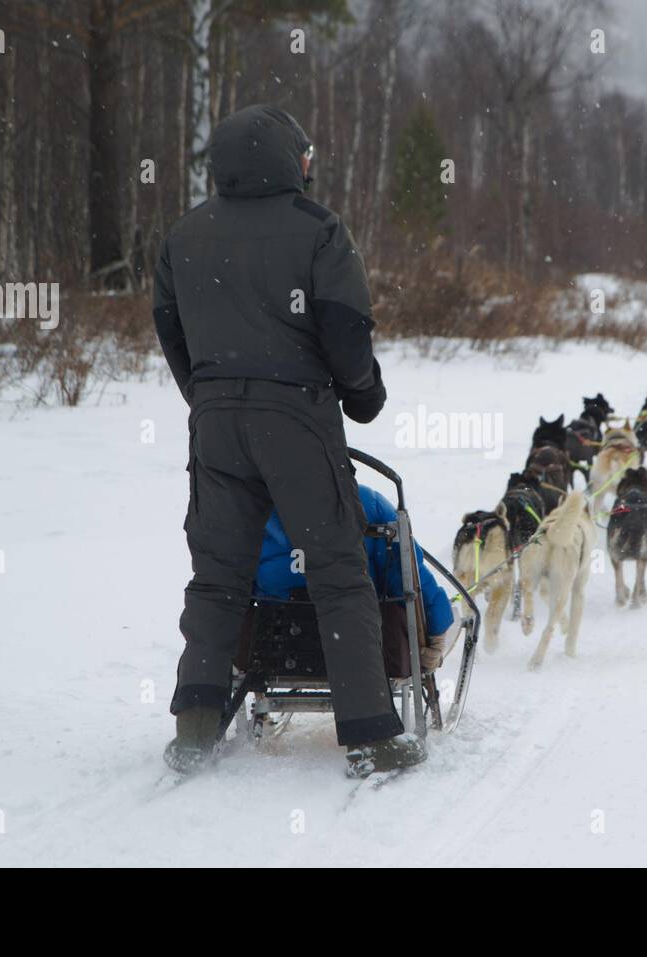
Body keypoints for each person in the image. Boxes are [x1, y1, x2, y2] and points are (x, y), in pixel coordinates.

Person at [153, 104, 423, 777]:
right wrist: (364, 396)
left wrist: (212, 396)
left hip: (215, 421)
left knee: (217, 573)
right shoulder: (318, 230)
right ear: (293, 161)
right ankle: (369, 731)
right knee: (337, 566)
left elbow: (171, 328)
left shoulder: (183, 235)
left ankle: (196, 722)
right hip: (296, 418)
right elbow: (346, 330)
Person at [255, 484, 460, 672]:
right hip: (366, 652)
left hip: (277, 649)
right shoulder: (369, 503)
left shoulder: (253, 509)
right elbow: (409, 579)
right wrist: (437, 628)